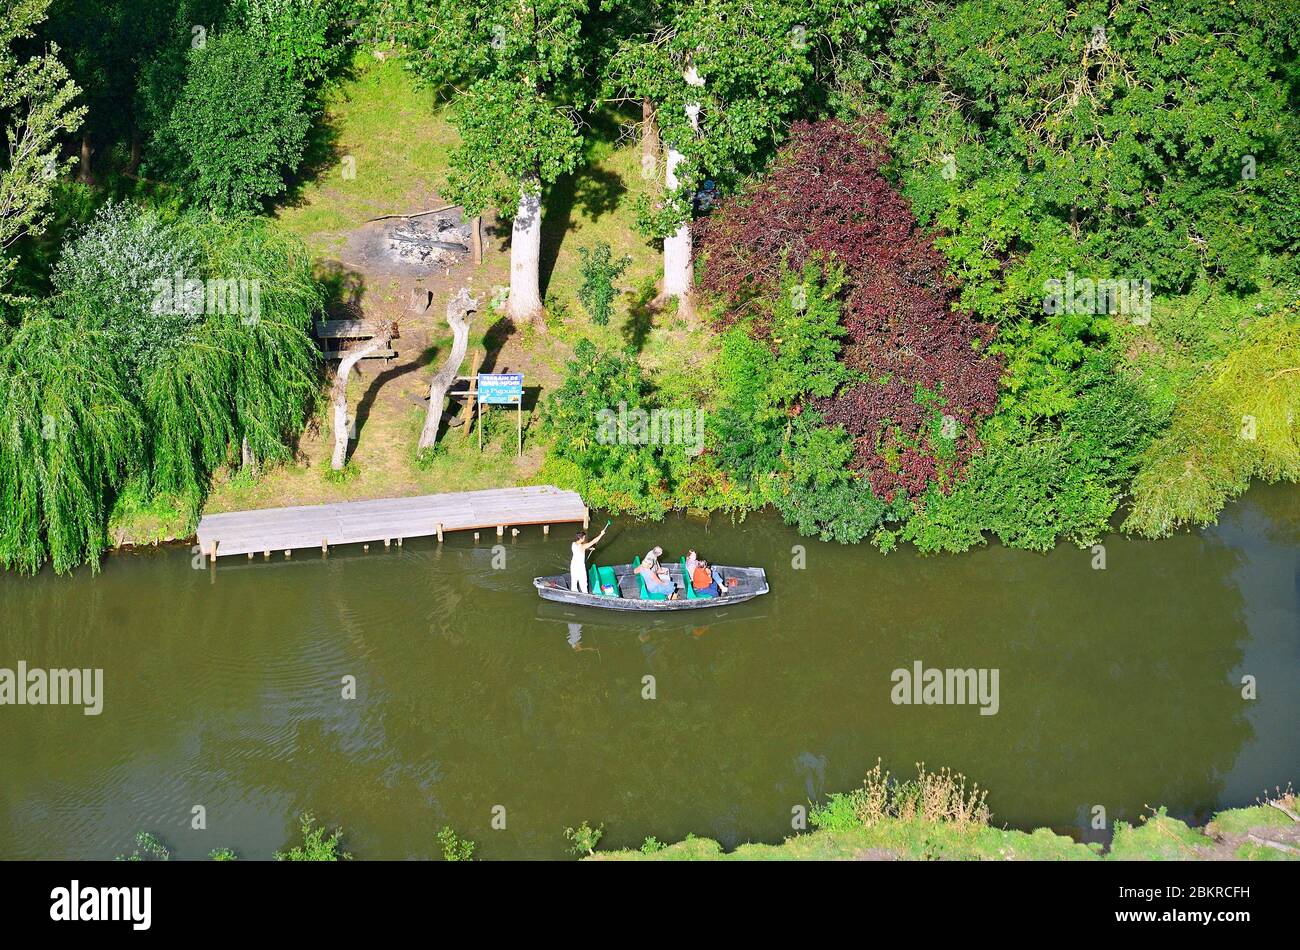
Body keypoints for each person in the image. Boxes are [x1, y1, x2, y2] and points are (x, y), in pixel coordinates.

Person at [569, 524, 608, 593]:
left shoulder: (574, 544)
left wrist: (589, 548)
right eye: (584, 538)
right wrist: (601, 534)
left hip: (573, 565)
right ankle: (585, 593)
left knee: (574, 580)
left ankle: (573, 592)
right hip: (580, 566)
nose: (584, 539)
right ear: (580, 538)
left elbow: (581, 549)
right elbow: (593, 541)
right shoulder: (582, 546)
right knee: (583, 581)